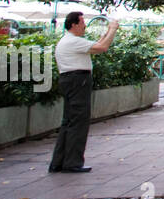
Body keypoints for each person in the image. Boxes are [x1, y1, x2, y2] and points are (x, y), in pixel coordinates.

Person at [49, 11, 119, 173]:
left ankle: (59, 161)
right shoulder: (73, 42)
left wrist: (108, 32)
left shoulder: (69, 41)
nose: (85, 25)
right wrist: (113, 29)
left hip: (70, 80)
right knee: (78, 121)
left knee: (69, 121)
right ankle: (72, 162)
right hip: (78, 80)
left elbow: (94, 46)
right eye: (82, 22)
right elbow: (102, 47)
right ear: (73, 25)